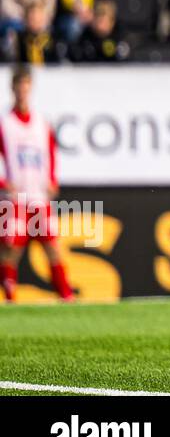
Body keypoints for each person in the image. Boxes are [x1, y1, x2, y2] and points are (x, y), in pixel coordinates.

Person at [0, 66, 73, 301]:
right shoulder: (5, 124)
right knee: (11, 250)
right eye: (19, 87)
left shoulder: (41, 123)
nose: (22, 92)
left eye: (26, 87)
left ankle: (66, 296)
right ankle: (11, 298)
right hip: (15, 199)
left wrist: (52, 179)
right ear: (13, 89)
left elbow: (50, 152)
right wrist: (3, 181)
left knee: (53, 247)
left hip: (39, 196)